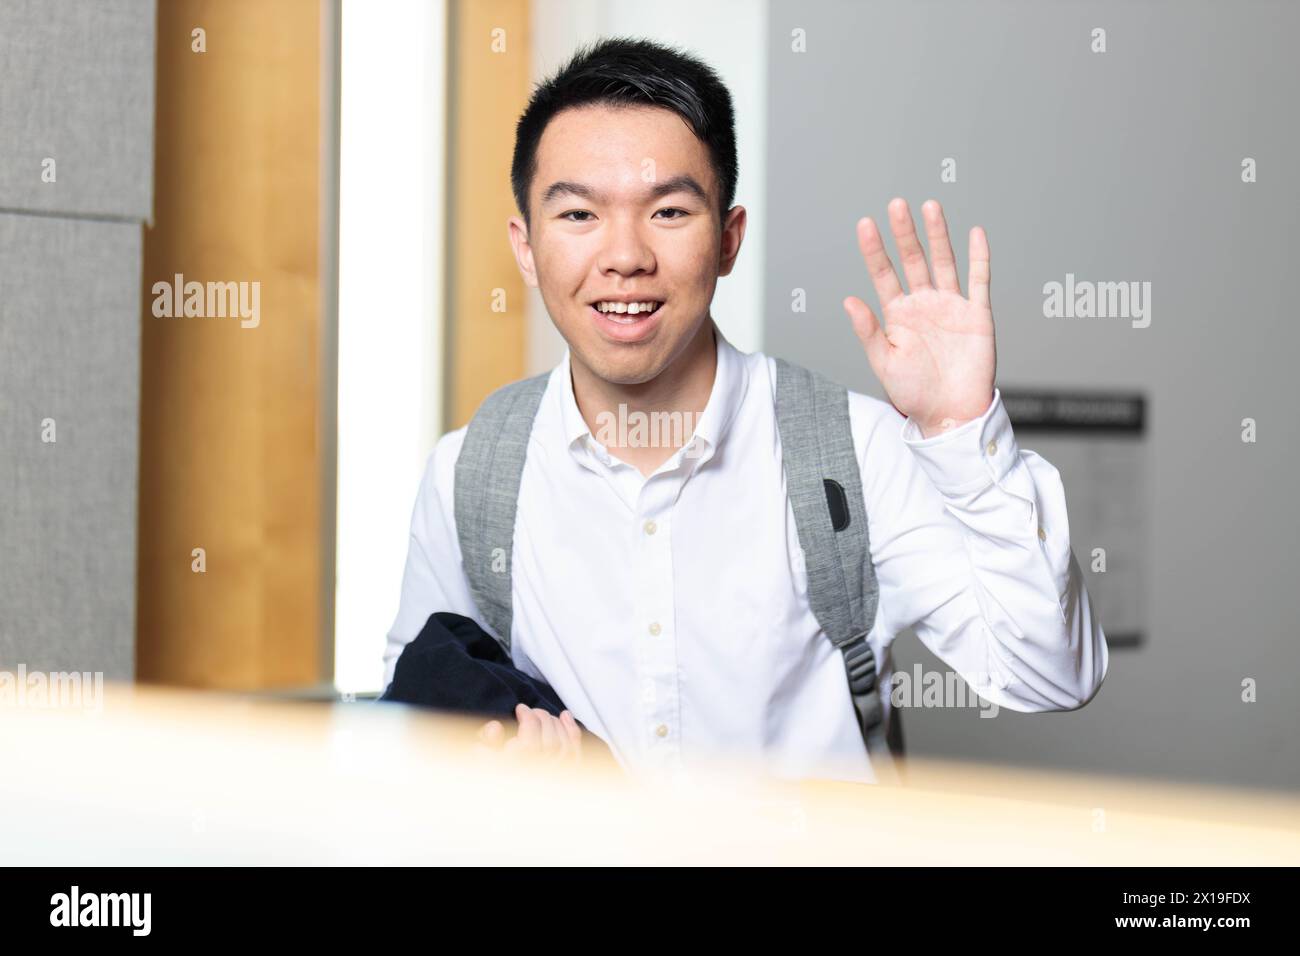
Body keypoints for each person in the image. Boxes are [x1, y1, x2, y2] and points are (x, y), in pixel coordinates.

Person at [383, 36, 1108, 784]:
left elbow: (1050, 676)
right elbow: (417, 726)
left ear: (727, 240)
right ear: (527, 248)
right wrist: (495, 764)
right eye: (578, 216)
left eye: (668, 210)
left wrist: (960, 429)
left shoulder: (853, 452)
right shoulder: (472, 471)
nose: (625, 255)